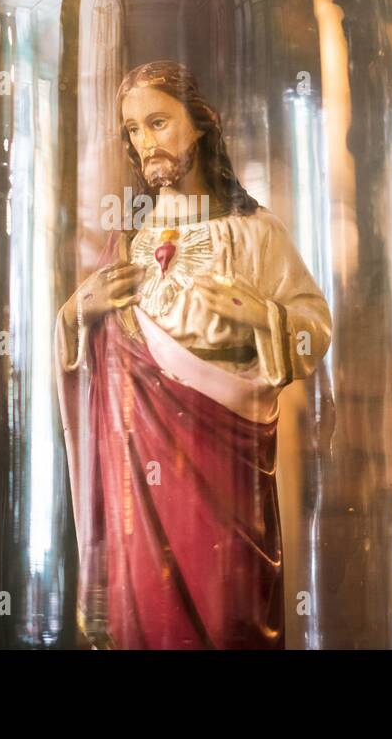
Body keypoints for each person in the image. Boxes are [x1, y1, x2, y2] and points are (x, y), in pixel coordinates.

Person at [56, 60, 331, 649]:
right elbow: (90, 368)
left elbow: (313, 332)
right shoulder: (126, 245)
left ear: (201, 124)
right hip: (137, 479)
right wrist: (77, 314)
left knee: (230, 607)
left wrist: (260, 315)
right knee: (146, 613)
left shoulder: (257, 234)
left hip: (228, 467)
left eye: (158, 122)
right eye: (133, 130)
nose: (145, 142)